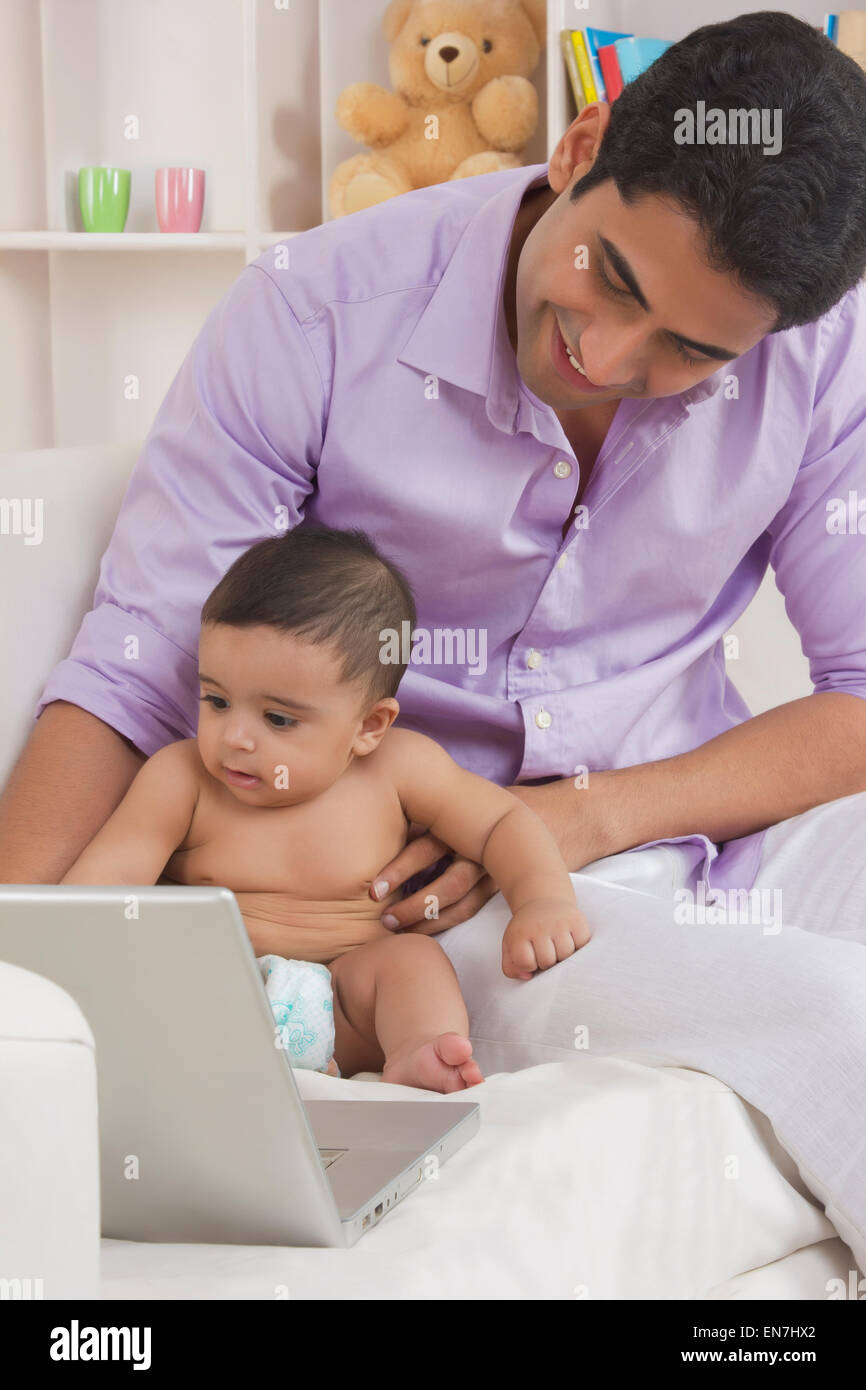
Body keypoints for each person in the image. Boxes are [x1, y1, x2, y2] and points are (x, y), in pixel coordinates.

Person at [1, 13, 865, 1263]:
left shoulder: (819, 353)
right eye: (610, 278)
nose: (605, 356)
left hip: (677, 814)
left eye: (688, 350)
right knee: (832, 1017)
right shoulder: (313, 316)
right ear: (577, 147)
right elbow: (135, 675)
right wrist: (17, 979)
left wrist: (594, 811)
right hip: (445, 898)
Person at [59, 525, 588, 1090]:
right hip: (219, 998)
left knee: (412, 963)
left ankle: (417, 1052)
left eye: (278, 719)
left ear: (369, 726)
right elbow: (107, 884)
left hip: (346, 1006)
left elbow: (501, 821)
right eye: (216, 700)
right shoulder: (180, 777)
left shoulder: (402, 768)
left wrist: (542, 899)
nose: (235, 737)